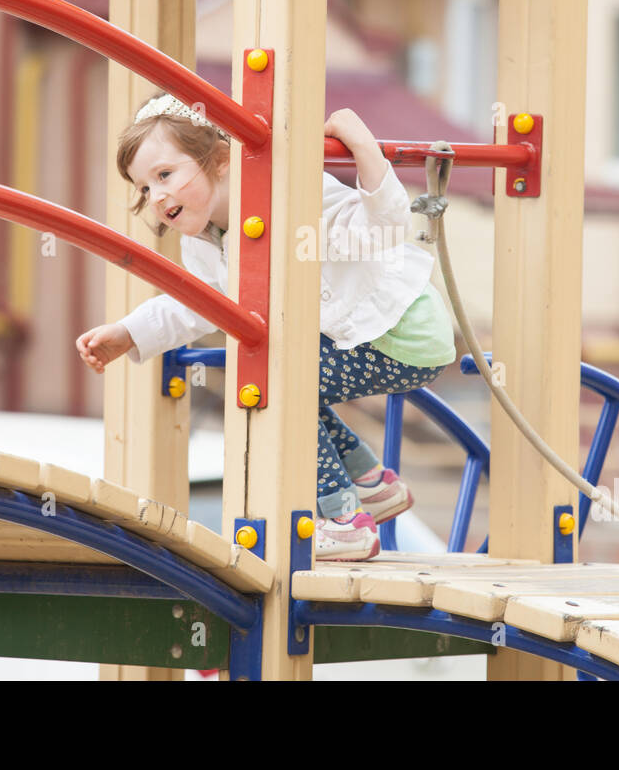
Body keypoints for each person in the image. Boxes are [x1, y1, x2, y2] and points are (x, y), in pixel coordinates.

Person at [75, 92, 455, 560]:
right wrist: (130, 332)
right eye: (145, 188)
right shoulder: (203, 241)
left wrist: (361, 145)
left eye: (165, 175)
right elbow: (199, 304)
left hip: (400, 329)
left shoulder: (288, 194)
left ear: (218, 159)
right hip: (361, 336)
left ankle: (344, 520)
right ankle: (372, 485)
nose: (157, 197)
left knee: (273, 382)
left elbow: (383, 223)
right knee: (282, 379)